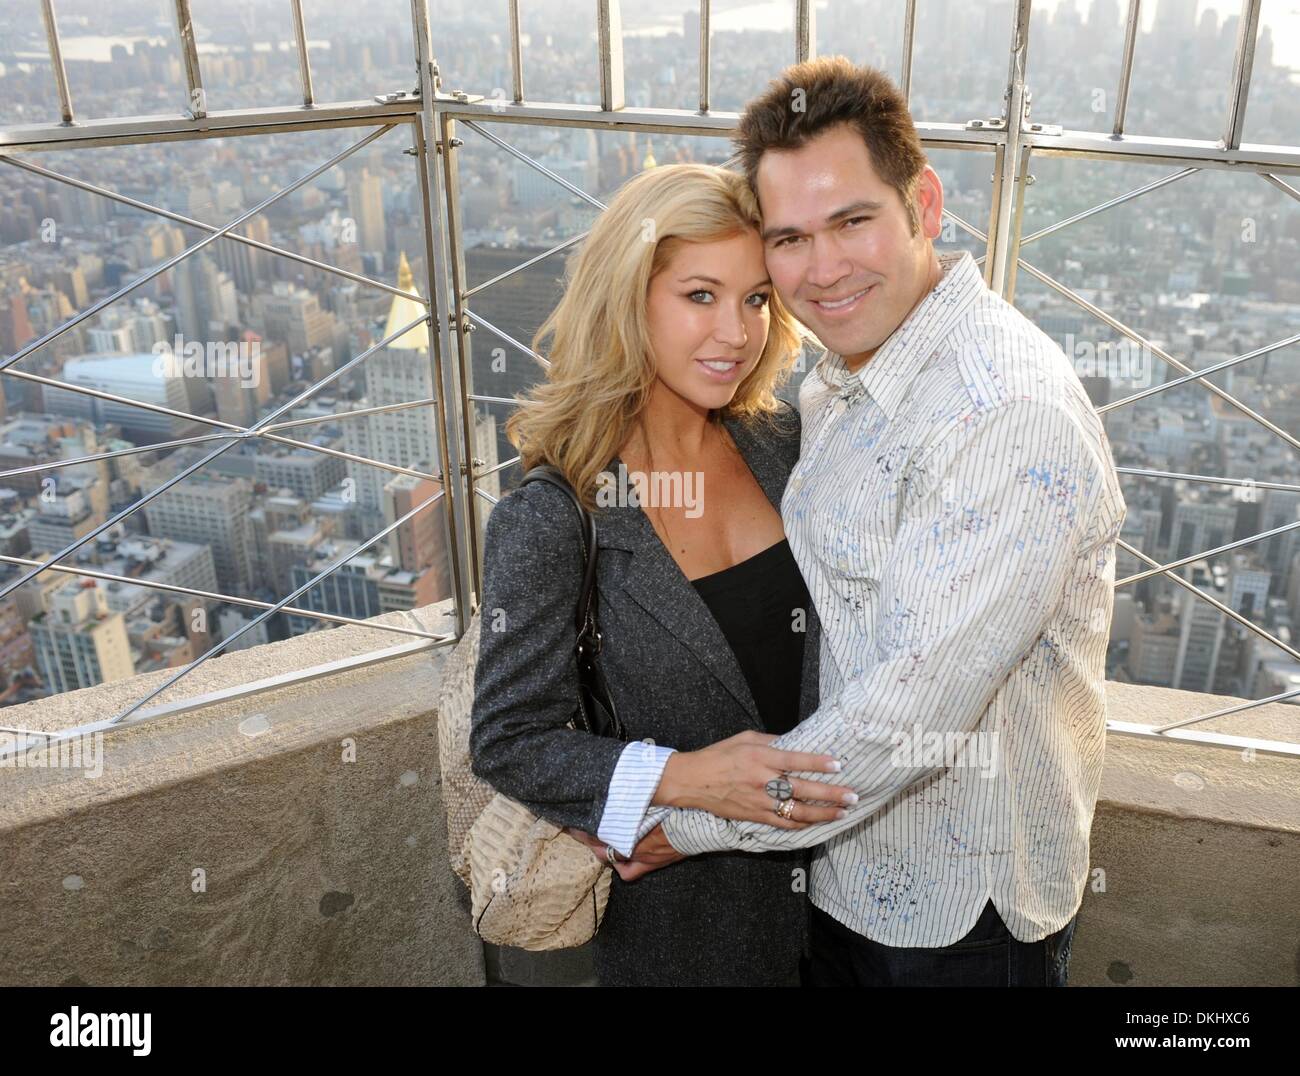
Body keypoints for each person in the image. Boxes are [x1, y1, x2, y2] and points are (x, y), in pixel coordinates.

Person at [617, 57, 1129, 988]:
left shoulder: (1003, 415)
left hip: (954, 920)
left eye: (852, 221)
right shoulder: (843, 375)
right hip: (837, 879)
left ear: (923, 206)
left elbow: (906, 717)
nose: (824, 270)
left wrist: (679, 825)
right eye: (791, 239)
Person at [469, 162, 858, 986]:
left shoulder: (789, 445)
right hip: (693, 938)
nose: (736, 333)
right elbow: (508, 740)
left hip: (856, 912)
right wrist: (684, 779)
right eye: (699, 296)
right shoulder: (555, 515)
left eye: (756, 299)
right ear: (628, 298)